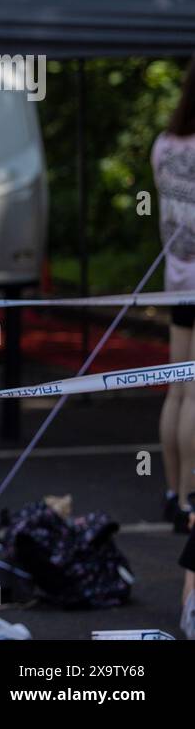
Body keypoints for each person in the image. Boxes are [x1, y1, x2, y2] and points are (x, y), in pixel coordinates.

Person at [154, 55, 195, 533]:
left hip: (175, 282)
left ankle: (171, 491)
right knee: (194, 395)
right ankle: (188, 500)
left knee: (177, 390)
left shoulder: (163, 145)